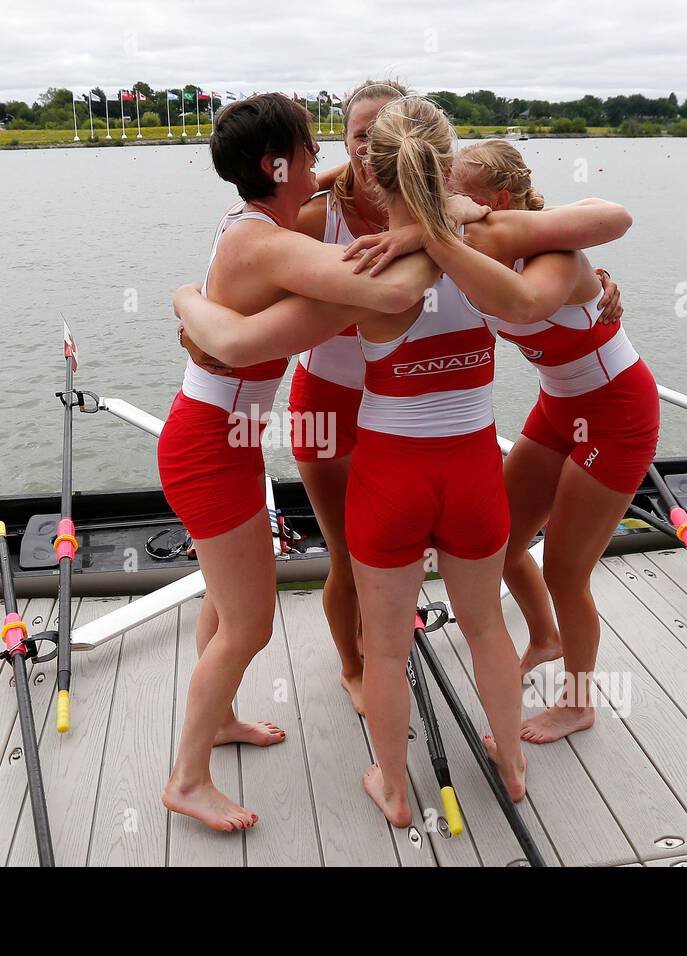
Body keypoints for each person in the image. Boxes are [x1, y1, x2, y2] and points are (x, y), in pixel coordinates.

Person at [175, 97, 634, 826]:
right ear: (442, 165)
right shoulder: (477, 240)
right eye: (334, 140)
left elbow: (249, 339)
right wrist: (453, 223)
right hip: (449, 456)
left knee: (374, 640)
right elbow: (598, 227)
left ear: (378, 166)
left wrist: (188, 302)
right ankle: (506, 760)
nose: (343, 150)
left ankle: (391, 783)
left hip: (384, 462)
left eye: (362, 142)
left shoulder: (366, 263)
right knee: (471, 619)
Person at [159, 93, 452, 833]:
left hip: (221, 437)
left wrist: (187, 297)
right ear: (274, 163)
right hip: (208, 447)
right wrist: (440, 232)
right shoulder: (267, 242)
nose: (320, 157)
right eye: (309, 147)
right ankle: (187, 779)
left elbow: (331, 210)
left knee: (226, 606)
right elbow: (386, 292)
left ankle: (217, 717)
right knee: (250, 626)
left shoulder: (263, 223)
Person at [346, 138, 659, 744]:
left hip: (618, 412)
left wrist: (431, 233)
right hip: (557, 407)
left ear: (500, 201)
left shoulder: (551, 252)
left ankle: (579, 701)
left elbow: (530, 295)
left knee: (568, 570)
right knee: (503, 542)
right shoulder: (467, 245)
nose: (441, 197)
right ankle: (543, 637)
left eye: (455, 189)